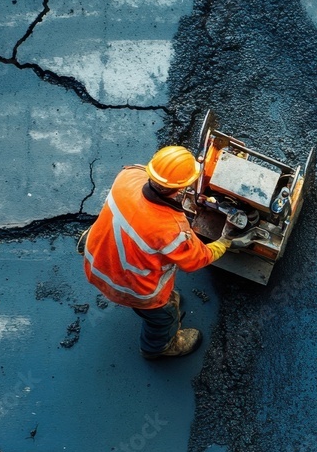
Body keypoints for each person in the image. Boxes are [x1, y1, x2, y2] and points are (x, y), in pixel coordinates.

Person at [80, 145, 232, 359]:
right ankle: (158, 347)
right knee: (165, 317)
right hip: (132, 289)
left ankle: (163, 306)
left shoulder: (128, 176)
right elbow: (198, 259)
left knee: (166, 294)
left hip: (96, 260)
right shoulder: (171, 229)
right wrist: (224, 242)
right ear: (181, 188)